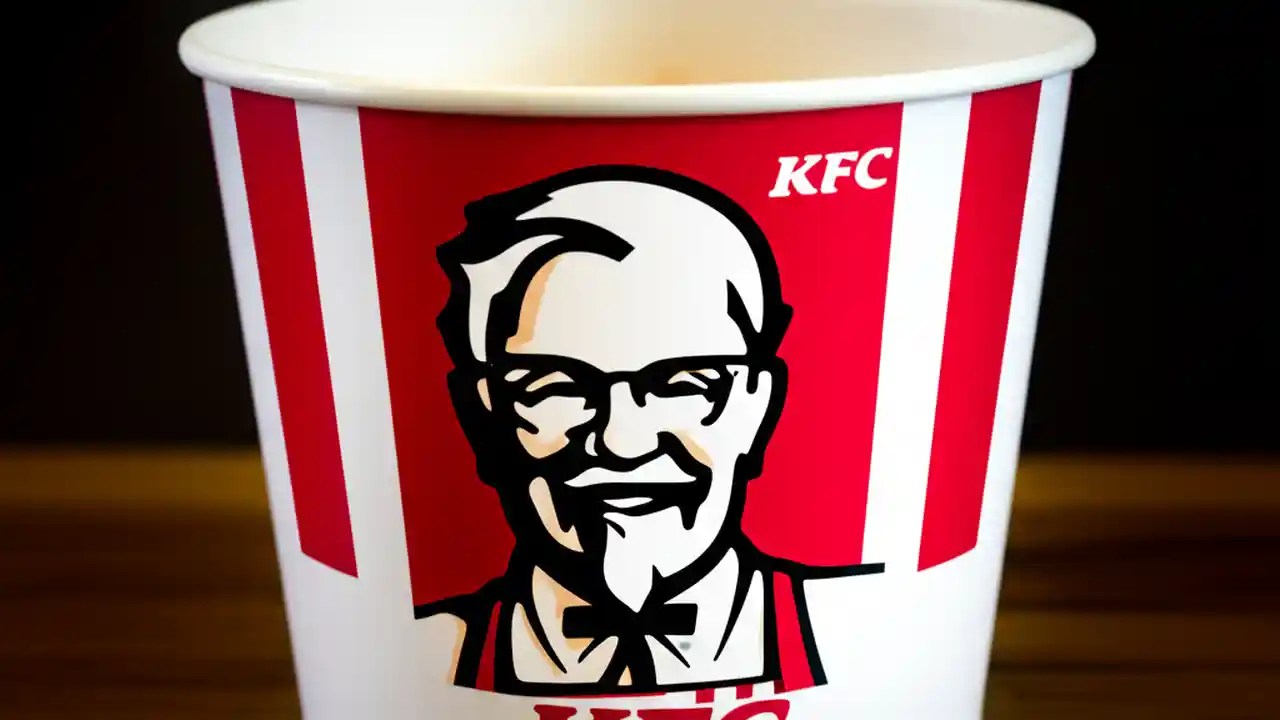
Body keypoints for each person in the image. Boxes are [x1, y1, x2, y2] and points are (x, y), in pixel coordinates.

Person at [418, 165, 883, 696]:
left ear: (757, 407)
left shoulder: (869, 633)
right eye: (556, 386)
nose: (623, 441)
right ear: (484, 417)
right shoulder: (421, 652)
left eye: (684, 384)